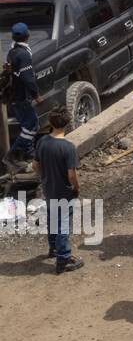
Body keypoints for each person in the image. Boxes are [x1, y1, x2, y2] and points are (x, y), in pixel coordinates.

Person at [33, 108, 84, 274]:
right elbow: (71, 174)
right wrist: (76, 188)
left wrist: (45, 177)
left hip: (49, 189)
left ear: (51, 123)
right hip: (64, 193)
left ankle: (53, 248)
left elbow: (35, 166)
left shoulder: (42, 142)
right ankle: (63, 259)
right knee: (63, 224)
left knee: (52, 219)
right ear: (67, 125)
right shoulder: (68, 147)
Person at [2, 22, 38, 172]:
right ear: (28, 35)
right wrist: (37, 95)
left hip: (15, 96)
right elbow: (28, 78)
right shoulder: (23, 55)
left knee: (26, 126)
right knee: (32, 126)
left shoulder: (12, 51)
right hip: (22, 96)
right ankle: (12, 155)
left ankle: (29, 155)